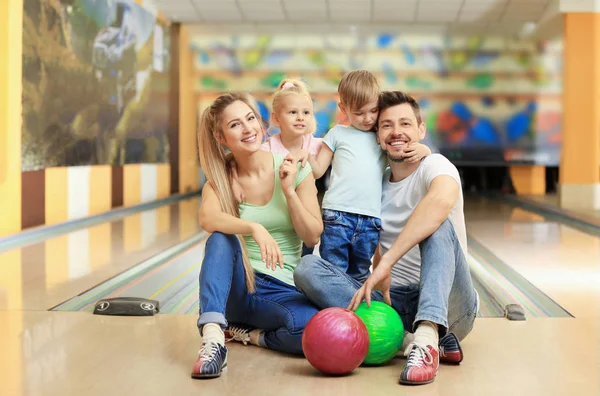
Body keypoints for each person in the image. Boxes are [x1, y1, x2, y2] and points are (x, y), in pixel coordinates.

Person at [294, 91, 479, 386]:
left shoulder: (436, 165)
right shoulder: (375, 185)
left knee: (438, 224)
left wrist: (386, 263)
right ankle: (408, 340)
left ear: (420, 130)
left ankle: (429, 337)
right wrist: (379, 269)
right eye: (386, 125)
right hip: (395, 306)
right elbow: (377, 242)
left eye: (405, 124)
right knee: (306, 268)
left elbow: (440, 202)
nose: (396, 133)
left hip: (450, 305)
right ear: (377, 135)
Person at [192, 92, 323, 379]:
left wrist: (288, 191)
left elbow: (312, 236)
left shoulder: (293, 167)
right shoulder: (222, 179)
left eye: (250, 118)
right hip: (240, 287)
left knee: (312, 330)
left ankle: (251, 335)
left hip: (281, 291)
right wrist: (253, 227)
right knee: (220, 237)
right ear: (221, 136)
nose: (248, 128)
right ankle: (213, 339)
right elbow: (207, 218)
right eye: (236, 124)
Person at [288, 70, 431, 283]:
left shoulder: (380, 136)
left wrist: (425, 151)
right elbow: (318, 171)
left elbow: (400, 159)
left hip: (370, 220)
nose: (367, 118)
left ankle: (355, 312)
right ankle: (338, 313)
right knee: (334, 272)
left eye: (373, 111)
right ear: (343, 108)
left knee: (360, 275)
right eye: (358, 113)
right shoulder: (337, 133)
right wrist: (305, 155)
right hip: (337, 216)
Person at [232, 79, 324, 256]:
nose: (300, 117)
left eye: (306, 112)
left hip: (304, 213)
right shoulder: (268, 147)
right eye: (292, 112)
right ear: (275, 118)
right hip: (279, 214)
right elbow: (237, 160)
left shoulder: (315, 144)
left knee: (306, 256)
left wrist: (307, 155)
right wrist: (234, 181)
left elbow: (334, 159)